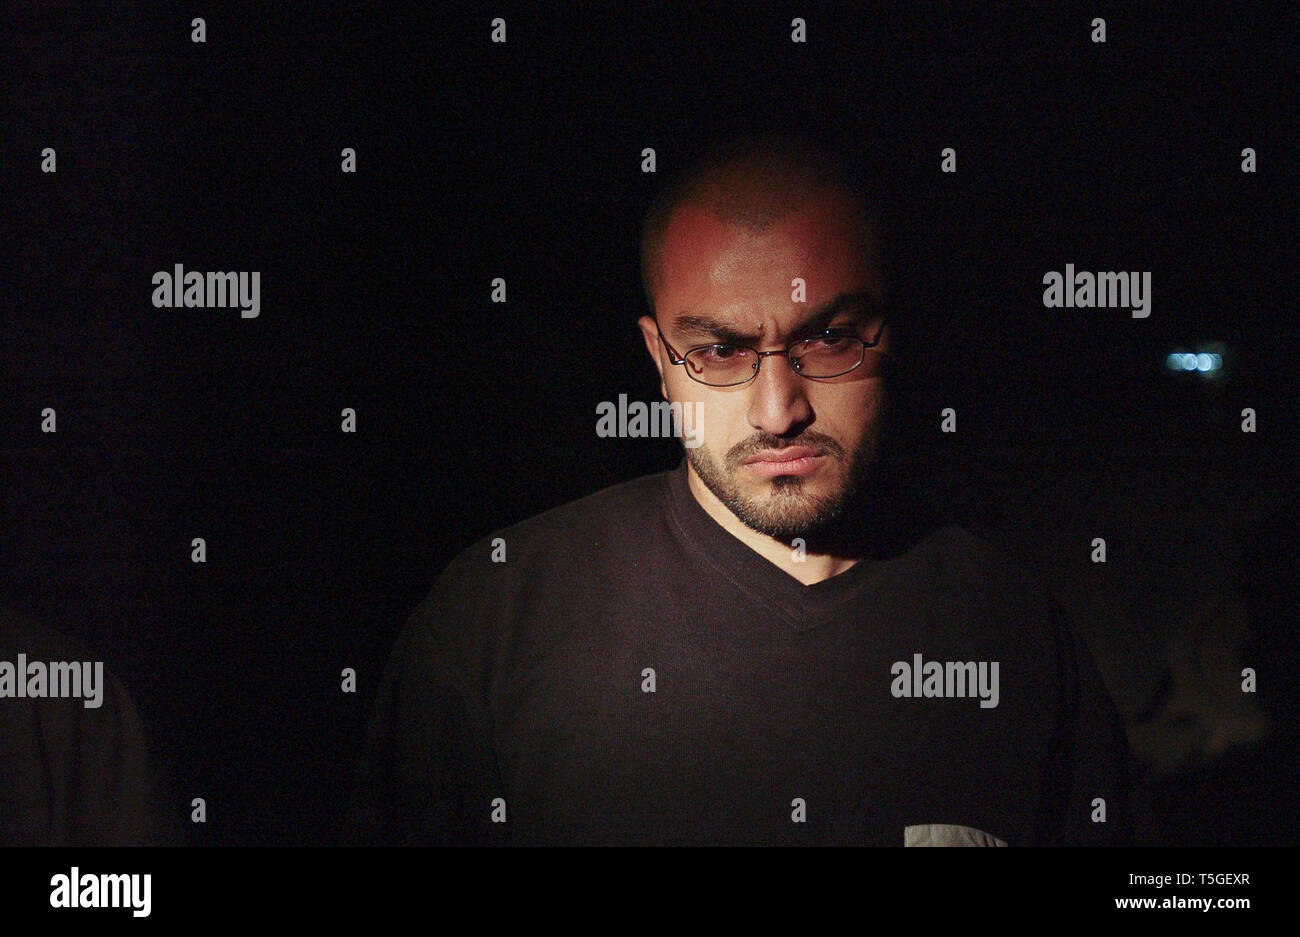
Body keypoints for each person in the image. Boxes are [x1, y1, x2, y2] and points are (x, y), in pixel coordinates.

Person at [344, 135, 1132, 846]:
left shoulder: (1009, 624)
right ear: (659, 357)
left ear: (889, 332)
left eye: (828, 337)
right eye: (720, 349)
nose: (778, 409)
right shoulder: (498, 618)